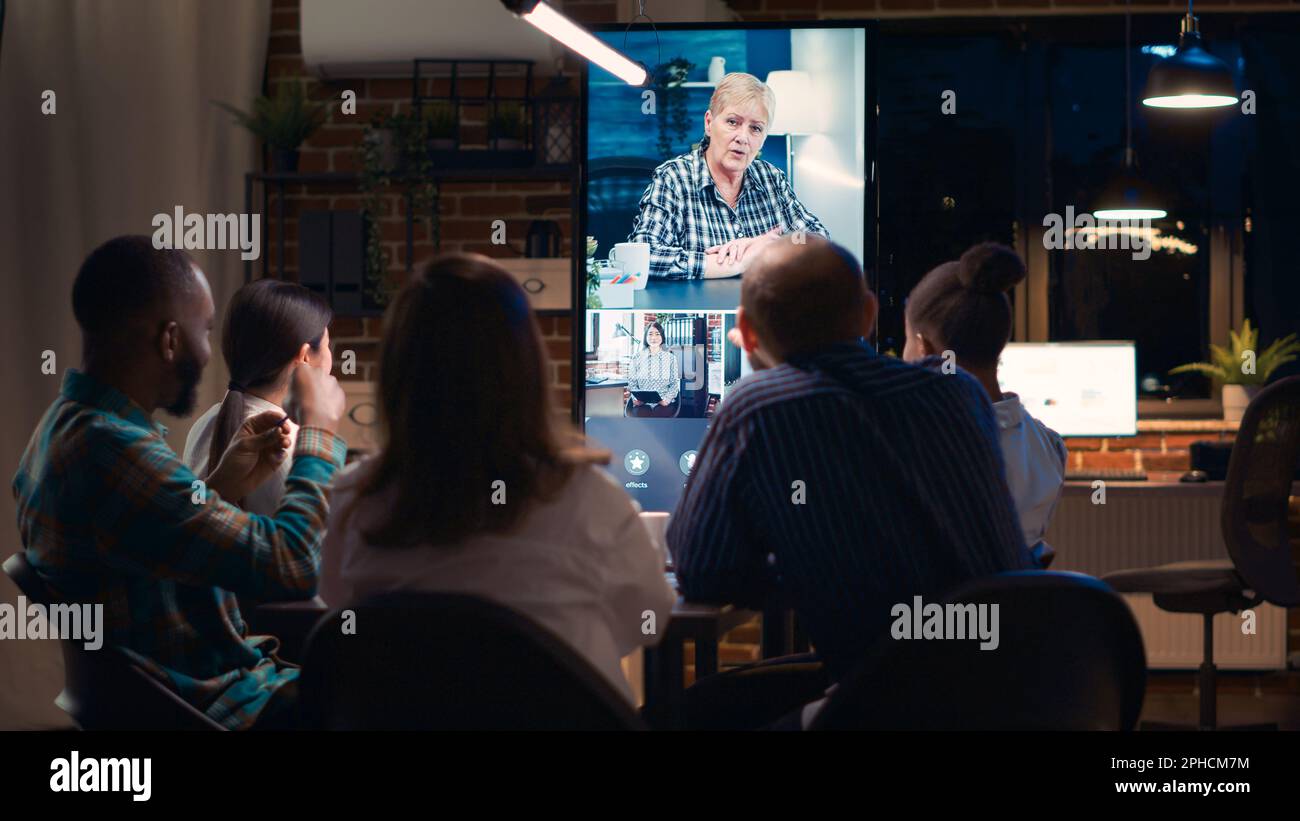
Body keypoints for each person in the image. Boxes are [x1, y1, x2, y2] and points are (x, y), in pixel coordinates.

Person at [666, 235, 1032, 729]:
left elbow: (704, 570)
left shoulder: (757, 404)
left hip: (896, 702)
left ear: (747, 333)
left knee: (687, 714)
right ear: (867, 314)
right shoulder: (958, 392)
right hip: (1024, 688)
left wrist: (808, 571)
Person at [12, 236, 347, 730]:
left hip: (181, 692)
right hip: (217, 704)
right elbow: (293, 565)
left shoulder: (65, 426)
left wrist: (220, 481)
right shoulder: (111, 452)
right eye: (204, 331)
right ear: (169, 340)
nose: (211, 353)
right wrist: (320, 428)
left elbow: (150, 548)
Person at [319, 254, 675, 705]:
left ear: (397, 369)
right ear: (526, 366)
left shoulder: (354, 498)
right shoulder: (587, 497)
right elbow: (650, 616)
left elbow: (337, 609)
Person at [902, 243, 1068, 565]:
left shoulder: (909, 442)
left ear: (923, 347)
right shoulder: (1049, 446)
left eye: (907, 338)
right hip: (1013, 612)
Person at [628, 72, 828, 281]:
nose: (743, 138)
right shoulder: (674, 178)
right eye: (733, 122)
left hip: (763, 306)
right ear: (709, 123)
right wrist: (734, 264)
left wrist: (771, 245)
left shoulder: (772, 178)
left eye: (755, 128)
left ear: (764, 137)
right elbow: (642, 256)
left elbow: (818, 239)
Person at [183, 279, 333, 514]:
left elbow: (189, 511)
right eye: (327, 345)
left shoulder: (204, 423)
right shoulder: (291, 446)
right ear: (305, 357)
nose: (330, 357)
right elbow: (318, 544)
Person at [625, 321, 680, 417]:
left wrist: (666, 400)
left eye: (657, 334)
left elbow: (674, 384)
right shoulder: (636, 357)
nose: (653, 338)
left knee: (659, 418)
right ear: (646, 337)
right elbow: (632, 383)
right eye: (650, 334)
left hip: (663, 403)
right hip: (642, 403)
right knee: (641, 420)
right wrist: (636, 399)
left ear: (662, 337)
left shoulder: (671, 358)